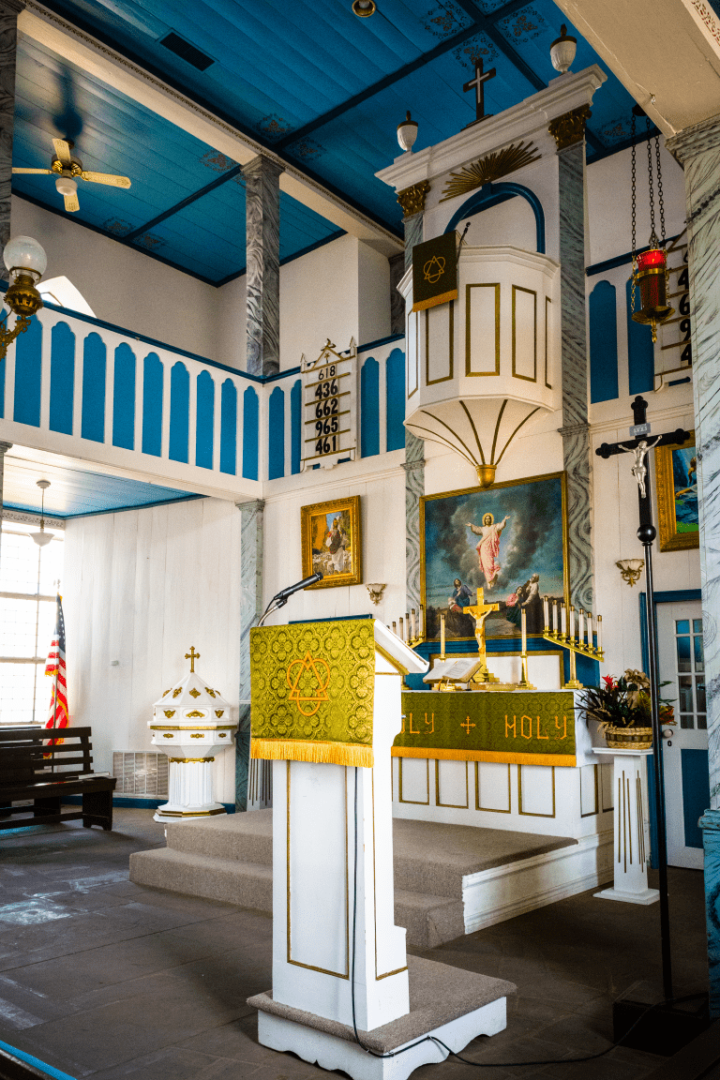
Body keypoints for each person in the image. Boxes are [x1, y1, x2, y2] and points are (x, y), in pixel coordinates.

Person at [466, 512, 509, 588]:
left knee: (490, 563)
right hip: (484, 547)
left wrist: (504, 520)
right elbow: (477, 530)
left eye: (489, 519)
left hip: (490, 547)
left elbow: (501, 526)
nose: (487, 520)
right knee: (485, 565)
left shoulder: (494, 527)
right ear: (484, 521)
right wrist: (471, 526)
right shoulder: (483, 529)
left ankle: (493, 576)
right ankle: (490, 581)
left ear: (491, 520)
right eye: (486, 519)